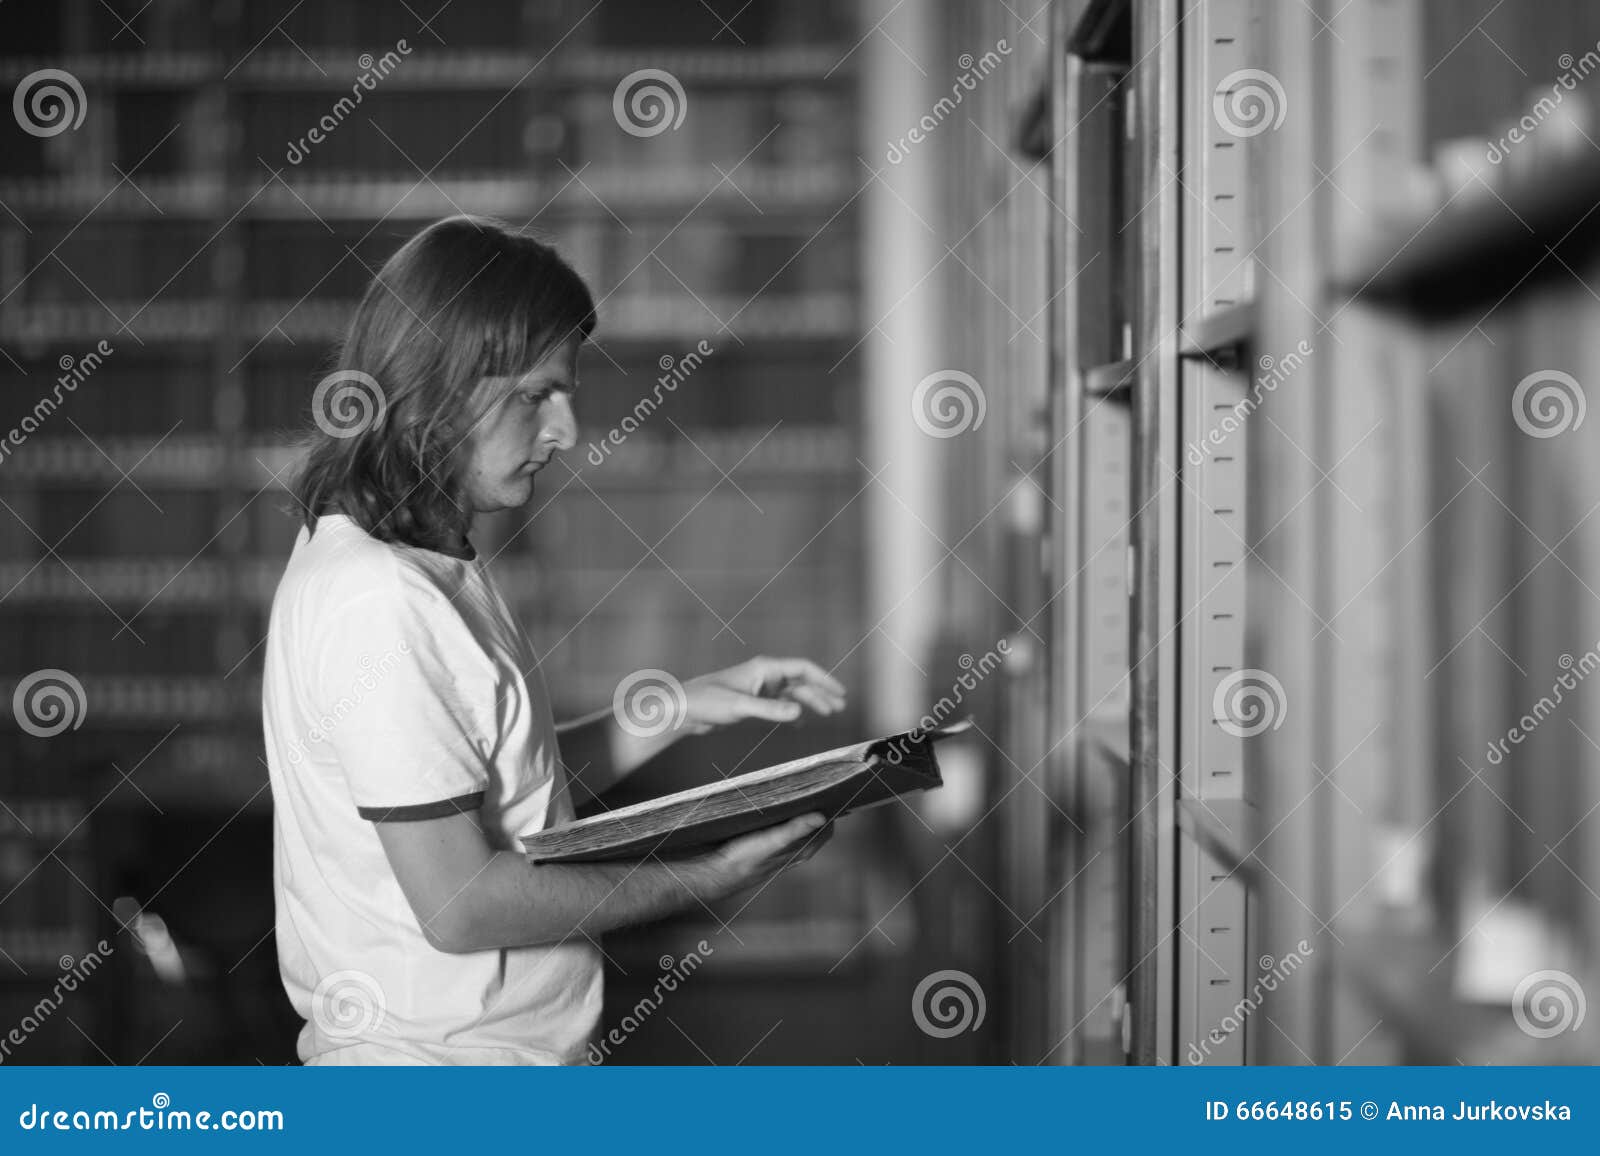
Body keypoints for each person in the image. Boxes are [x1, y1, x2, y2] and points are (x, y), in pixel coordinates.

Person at [261, 215, 847, 1065]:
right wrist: (709, 880)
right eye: (537, 395)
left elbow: (500, 797)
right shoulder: (378, 599)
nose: (567, 431)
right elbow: (462, 902)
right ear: (438, 385)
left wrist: (677, 707)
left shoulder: (412, 564)